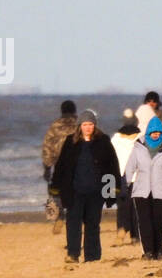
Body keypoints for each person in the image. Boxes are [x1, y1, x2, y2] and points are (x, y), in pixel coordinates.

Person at [51, 109, 121, 264]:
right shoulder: (70, 142)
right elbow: (60, 166)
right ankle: (73, 254)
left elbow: (112, 166)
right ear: (80, 126)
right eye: (85, 124)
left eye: (90, 124)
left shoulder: (103, 141)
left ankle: (92, 256)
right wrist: (55, 188)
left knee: (92, 225)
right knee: (73, 223)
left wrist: (112, 191)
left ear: (94, 125)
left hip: (96, 192)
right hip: (74, 191)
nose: (88, 127)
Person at [123, 116, 162, 259]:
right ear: (148, 132)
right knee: (144, 222)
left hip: (161, 191)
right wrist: (126, 183)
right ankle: (147, 251)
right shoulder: (138, 147)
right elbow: (130, 166)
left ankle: (158, 250)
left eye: (159, 132)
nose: (156, 135)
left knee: (159, 222)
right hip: (141, 191)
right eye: (153, 132)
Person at [111, 109, 141, 244]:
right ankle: (135, 236)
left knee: (122, 205)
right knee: (136, 206)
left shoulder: (116, 138)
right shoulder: (140, 137)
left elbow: (110, 159)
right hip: (137, 176)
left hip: (120, 175)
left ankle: (121, 230)